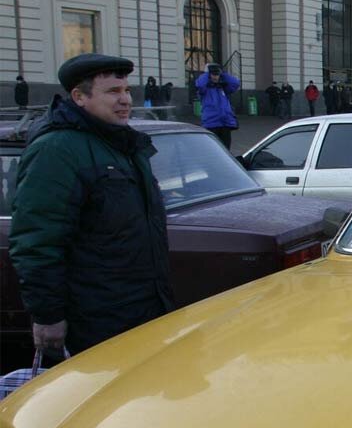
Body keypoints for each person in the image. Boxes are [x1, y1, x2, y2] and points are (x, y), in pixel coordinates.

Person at [9, 53, 174, 358]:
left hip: (144, 308)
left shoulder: (124, 145)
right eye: (113, 92)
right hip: (97, 321)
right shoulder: (57, 150)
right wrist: (48, 316)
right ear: (79, 97)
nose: (125, 100)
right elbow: (37, 241)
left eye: (127, 91)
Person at [194, 63, 240, 149]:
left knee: (226, 150)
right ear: (209, 75)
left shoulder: (223, 87)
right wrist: (206, 73)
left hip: (225, 123)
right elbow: (200, 84)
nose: (215, 77)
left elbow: (236, 83)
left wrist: (222, 73)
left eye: (217, 74)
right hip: (211, 124)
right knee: (213, 149)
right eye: (213, 74)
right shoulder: (204, 90)